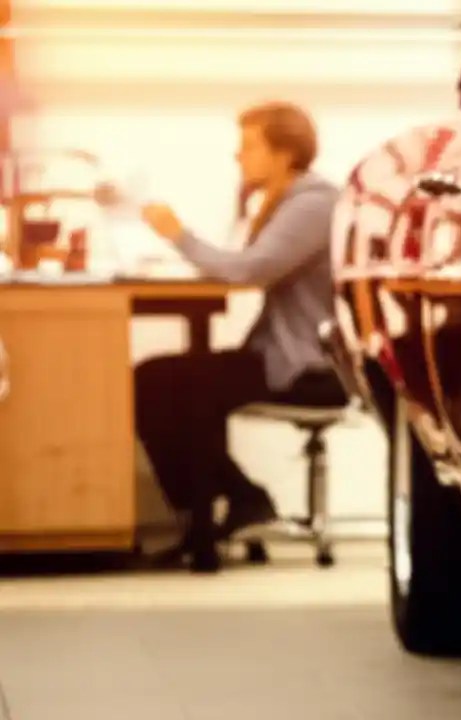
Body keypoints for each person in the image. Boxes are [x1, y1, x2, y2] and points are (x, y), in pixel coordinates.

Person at [127, 101, 347, 573]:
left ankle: (214, 524)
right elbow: (242, 264)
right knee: (152, 382)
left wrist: (177, 234)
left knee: (181, 389)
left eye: (249, 147)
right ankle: (237, 502)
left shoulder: (314, 203)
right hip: (277, 356)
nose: (238, 157)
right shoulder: (287, 199)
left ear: (285, 153)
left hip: (308, 367)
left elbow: (248, 270)